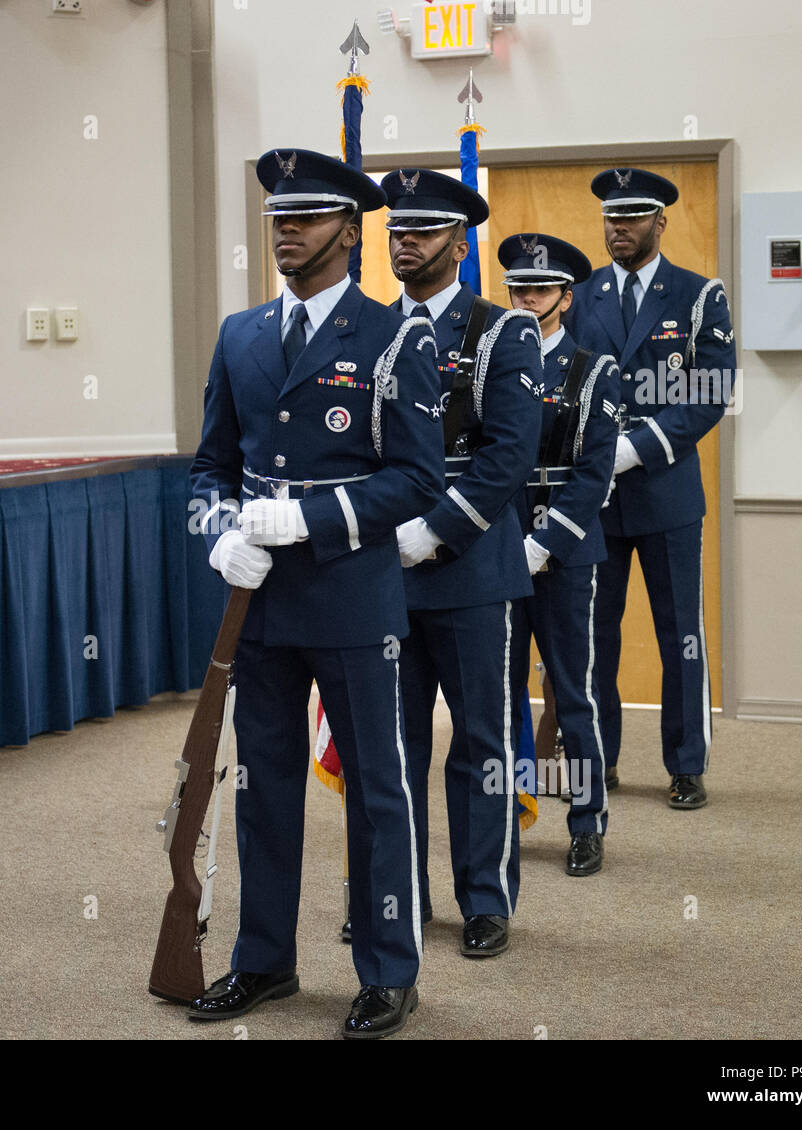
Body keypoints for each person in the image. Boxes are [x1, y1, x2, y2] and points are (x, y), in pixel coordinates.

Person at [187, 149, 444, 1039]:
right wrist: (218, 534)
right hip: (258, 603)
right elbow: (212, 466)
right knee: (262, 785)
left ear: (348, 226)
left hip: (348, 594)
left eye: (303, 217)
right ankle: (264, 960)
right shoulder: (241, 333)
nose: (285, 231)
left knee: (377, 787)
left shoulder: (397, 337)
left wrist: (312, 522)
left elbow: (418, 479)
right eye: (276, 219)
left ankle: (387, 970)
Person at [382, 168, 542, 959]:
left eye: (420, 231)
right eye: (394, 230)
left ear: (457, 241)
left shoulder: (502, 332)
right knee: (392, 747)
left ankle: (485, 898)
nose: (402, 241)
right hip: (379, 573)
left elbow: (509, 455)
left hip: (473, 569)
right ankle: (395, 897)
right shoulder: (370, 329)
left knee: (481, 741)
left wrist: (435, 531)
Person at [563, 168, 737, 809]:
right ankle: (598, 761)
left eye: (632, 218)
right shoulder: (578, 298)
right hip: (592, 501)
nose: (619, 229)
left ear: (660, 223)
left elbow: (713, 390)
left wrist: (635, 448)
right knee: (593, 635)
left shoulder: (697, 296)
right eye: (611, 218)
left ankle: (686, 763)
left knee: (679, 634)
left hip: (664, 492)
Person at [499, 232, 621, 876]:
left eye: (539, 289)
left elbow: (594, 474)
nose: (525, 298)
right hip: (496, 545)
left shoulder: (593, 371)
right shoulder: (489, 363)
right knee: (501, 693)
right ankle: (508, 811)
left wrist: (542, 546)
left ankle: (585, 818)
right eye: (517, 288)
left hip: (564, 549)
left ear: (565, 299)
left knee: (573, 691)